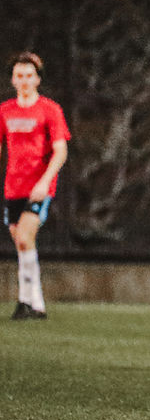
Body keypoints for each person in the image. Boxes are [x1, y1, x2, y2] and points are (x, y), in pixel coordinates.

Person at [1, 52, 71, 320]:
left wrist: (45, 181)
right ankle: (36, 302)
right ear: (12, 79)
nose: (24, 81)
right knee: (21, 244)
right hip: (13, 187)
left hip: (39, 186)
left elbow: (60, 151)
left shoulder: (50, 110)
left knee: (24, 238)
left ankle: (25, 301)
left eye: (29, 76)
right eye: (19, 76)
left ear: (38, 79)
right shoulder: (5, 111)